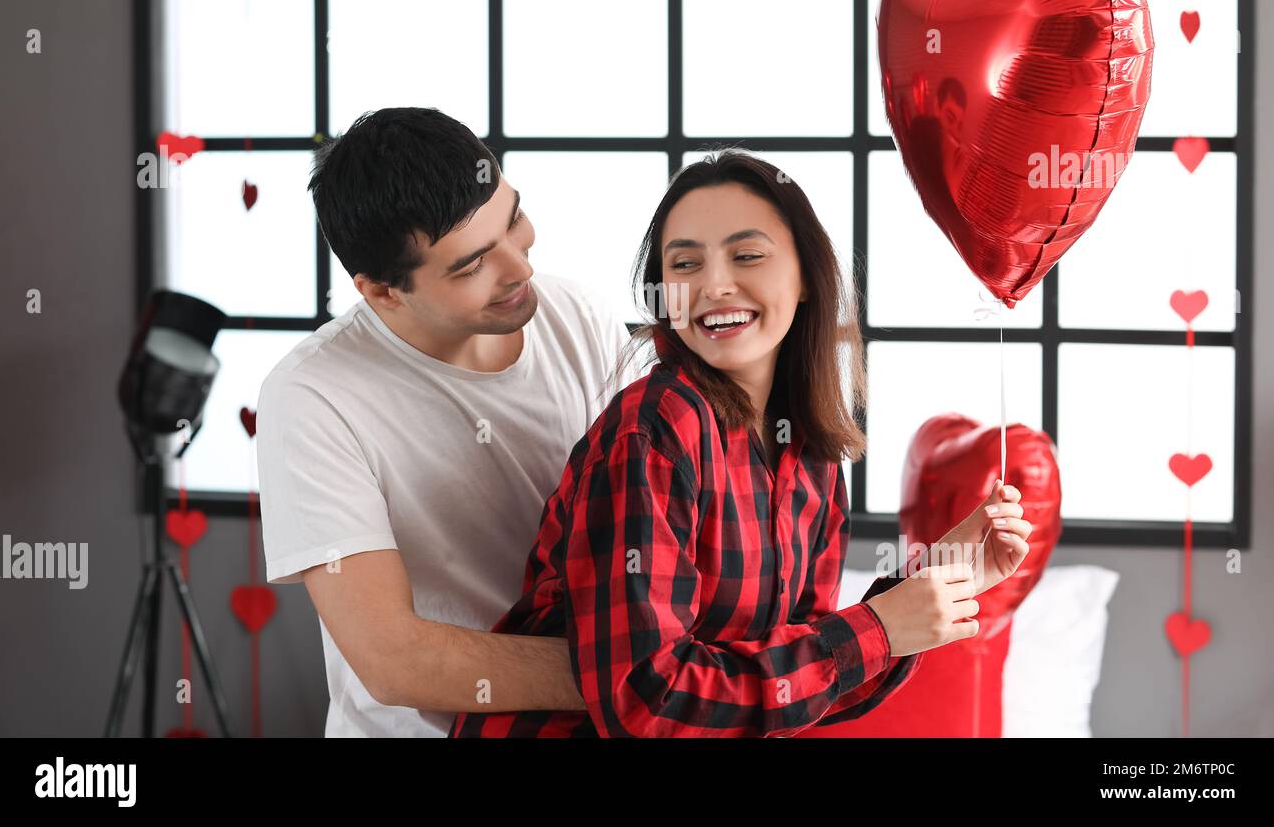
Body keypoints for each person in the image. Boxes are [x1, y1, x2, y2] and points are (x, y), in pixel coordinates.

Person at [451, 150, 1031, 738]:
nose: (715, 285)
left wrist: (942, 578)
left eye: (747, 255)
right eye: (684, 265)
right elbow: (647, 706)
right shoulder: (652, 432)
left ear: (806, 276)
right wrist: (879, 627)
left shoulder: (812, 457)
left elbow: (795, 688)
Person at [256, 107, 645, 736]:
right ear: (383, 291)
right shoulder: (312, 396)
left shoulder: (580, 317)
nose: (520, 269)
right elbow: (393, 660)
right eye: (471, 265)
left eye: (515, 219)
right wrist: (646, 678)